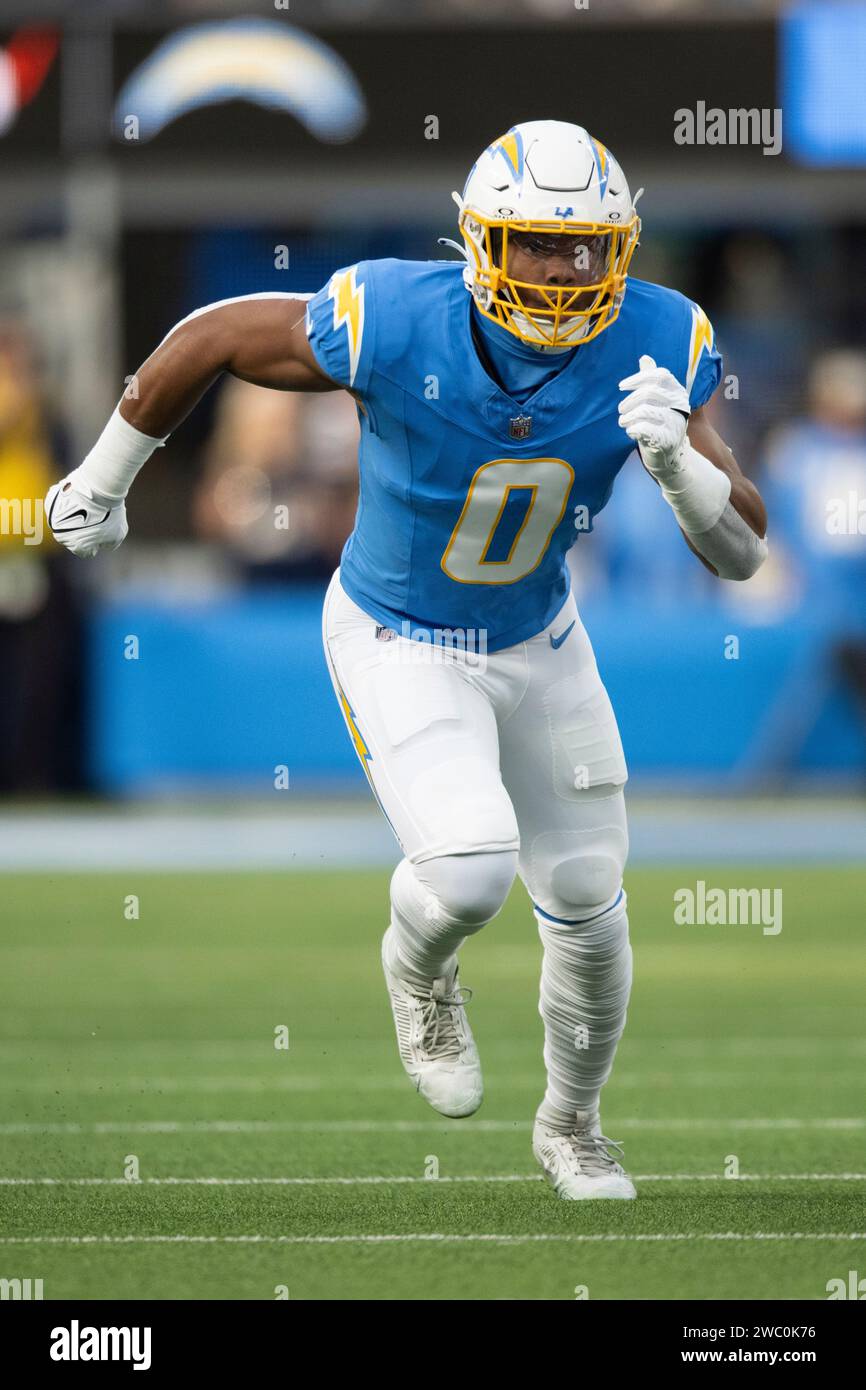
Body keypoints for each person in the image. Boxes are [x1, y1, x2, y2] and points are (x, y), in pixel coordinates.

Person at [45, 120, 768, 1199]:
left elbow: (743, 552)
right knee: (470, 866)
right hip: (398, 631)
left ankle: (571, 1126)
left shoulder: (656, 337)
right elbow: (209, 335)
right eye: (535, 242)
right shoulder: (393, 318)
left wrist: (678, 469)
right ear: (480, 242)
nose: (565, 269)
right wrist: (100, 482)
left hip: (538, 638)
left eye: (585, 247)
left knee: (589, 898)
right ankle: (416, 970)